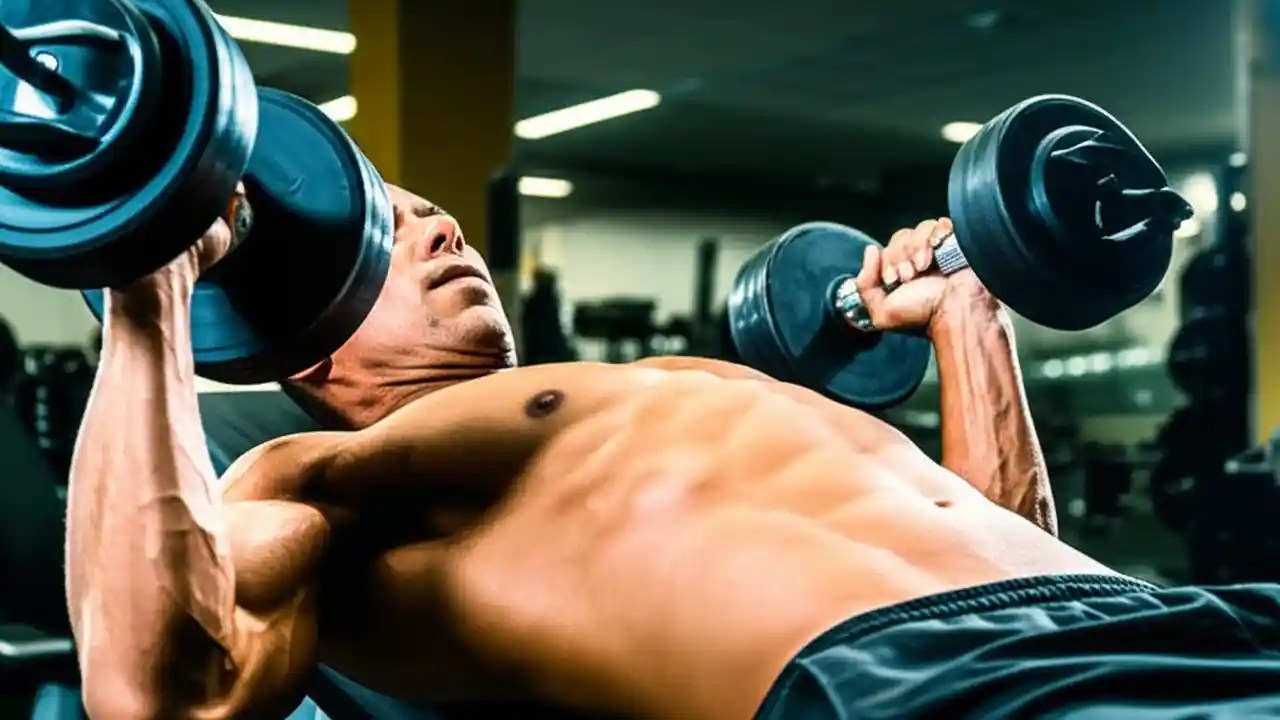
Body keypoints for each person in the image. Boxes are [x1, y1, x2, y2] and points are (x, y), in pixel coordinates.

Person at [68, 182, 1280, 720]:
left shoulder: (664, 387)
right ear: (293, 334)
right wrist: (148, 282)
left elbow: (1000, 543)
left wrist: (968, 315)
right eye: (379, 225)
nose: (433, 221)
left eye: (422, 203)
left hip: (1145, 617)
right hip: (940, 690)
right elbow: (154, 692)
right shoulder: (316, 480)